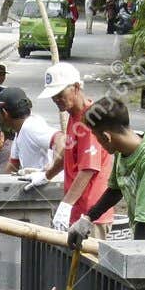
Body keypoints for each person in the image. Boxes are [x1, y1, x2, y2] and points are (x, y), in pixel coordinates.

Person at [66, 97, 145, 243]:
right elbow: (115, 190)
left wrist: (136, 255)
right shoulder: (120, 149)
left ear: (106, 137)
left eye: (97, 137)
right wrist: (87, 219)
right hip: (144, 232)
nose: (98, 142)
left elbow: (144, 218)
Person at [37, 62, 115, 235]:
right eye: (53, 95)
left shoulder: (90, 119)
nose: (56, 99)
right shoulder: (74, 115)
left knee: (87, 261)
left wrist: (66, 205)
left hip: (91, 215)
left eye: (60, 94)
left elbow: (88, 169)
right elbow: (69, 151)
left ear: (76, 87)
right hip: (78, 211)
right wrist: (46, 175)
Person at [0, 87, 57, 173]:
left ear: (4, 113)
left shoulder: (31, 127)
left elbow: (61, 140)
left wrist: (53, 167)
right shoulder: (19, 130)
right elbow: (12, 166)